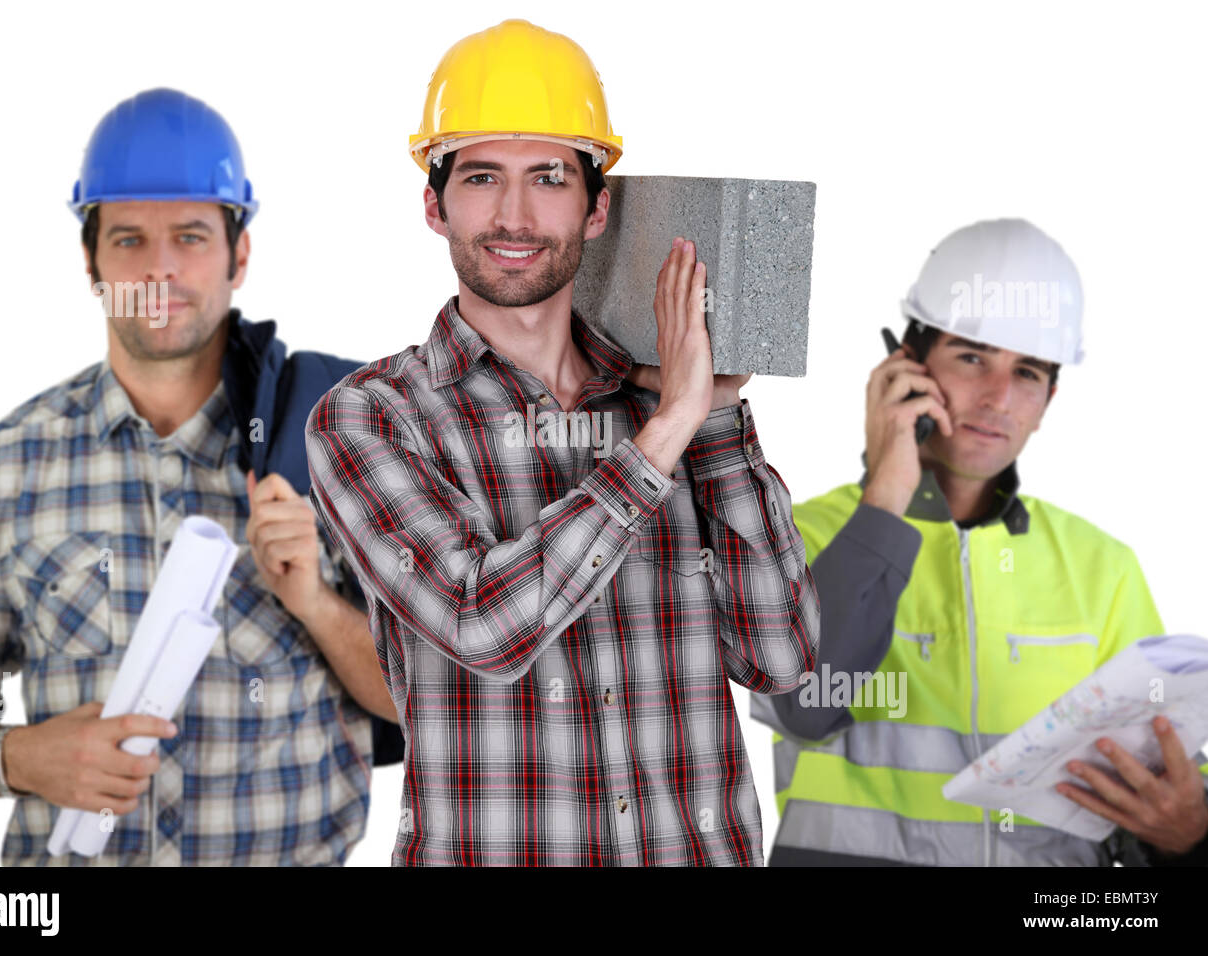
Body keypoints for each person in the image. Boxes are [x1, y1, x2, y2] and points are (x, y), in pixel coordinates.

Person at [304, 19, 819, 866]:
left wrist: (716, 419)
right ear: (434, 205)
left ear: (596, 206)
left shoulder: (673, 402)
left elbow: (780, 657)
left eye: (549, 177)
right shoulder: (370, 417)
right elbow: (483, 628)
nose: (514, 215)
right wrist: (663, 440)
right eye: (481, 178)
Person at [0, 88, 401, 866]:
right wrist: (17, 756)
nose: (161, 268)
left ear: (240, 256)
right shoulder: (4, 467)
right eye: (130, 238)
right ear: (90, 260)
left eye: (192, 236)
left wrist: (313, 600)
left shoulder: (336, 444)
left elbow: (428, 699)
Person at [752, 218, 1208, 866]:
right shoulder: (798, 535)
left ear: (1048, 400)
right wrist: (887, 496)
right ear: (906, 365)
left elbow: (1162, 781)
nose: (998, 398)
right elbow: (803, 704)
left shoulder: (1103, 569)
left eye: (1027, 372)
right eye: (972, 356)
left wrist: (1190, 835)